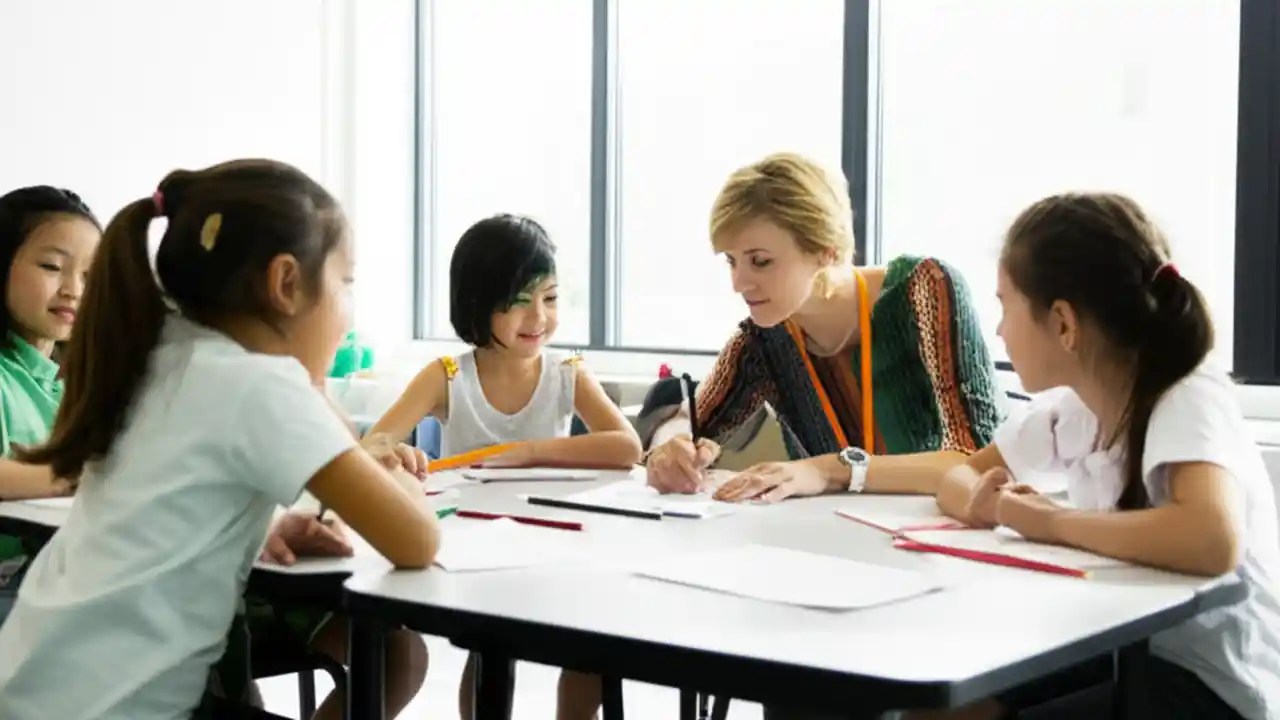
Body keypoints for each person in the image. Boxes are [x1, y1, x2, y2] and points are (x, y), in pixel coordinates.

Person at [0, 160, 441, 720]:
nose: (348, 308)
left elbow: (169, 500)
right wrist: (386, 460)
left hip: (31, 687)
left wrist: (259, 524)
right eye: (345, 282)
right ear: (286, 283)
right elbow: (418, 542)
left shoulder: (161, 356)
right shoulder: (261, 385)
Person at [935, 192, 1280, 719]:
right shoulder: (1074, 406)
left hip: (1214, 687)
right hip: (1130, 655)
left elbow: (1212, 538)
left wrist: (1052, 522)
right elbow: (959, 475)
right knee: (950, 707)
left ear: (1064, 324)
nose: (999, 331)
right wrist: (987, 503)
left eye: (1005, 306)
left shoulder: (1185, 395)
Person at [370, 213, 642, 720]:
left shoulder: (567, 371)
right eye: (519, 301)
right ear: (478, 303)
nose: (539, 317)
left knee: (589, 640)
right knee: (489, 648)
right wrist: (395, 451)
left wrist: (532, 450)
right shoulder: (448, 374)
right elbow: (373, 443)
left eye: (551, 298)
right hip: (475, 546)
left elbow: (627, 447)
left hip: (554, 538)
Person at [643, 152, 1001, 503]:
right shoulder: (763, 342)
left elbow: (974, 460)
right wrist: (667, 449)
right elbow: (686, 426)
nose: (738, 283)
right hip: (844, 543)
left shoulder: (924, 288)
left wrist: (828, 470)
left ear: (826, 250)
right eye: (731, 262)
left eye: (761, 261)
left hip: (945, 538)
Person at [0, 186, 101, 623]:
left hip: (65, 571)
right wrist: (85, 477)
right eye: (52, 267)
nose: (73, 289)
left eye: (90, 276)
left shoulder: (78, 384)